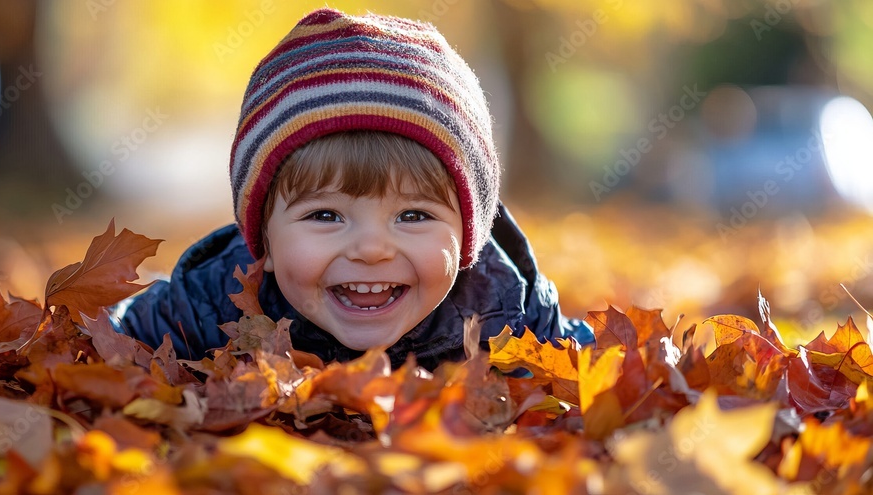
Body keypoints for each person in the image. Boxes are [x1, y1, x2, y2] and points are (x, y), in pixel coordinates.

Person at [115, 8, 593, 370]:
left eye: (413, 216)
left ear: (468, 237)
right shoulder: (210, 304)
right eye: (325, 215)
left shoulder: (505, 308)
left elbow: (590, 362)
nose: (370, 249)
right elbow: (114, 335)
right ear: (264, 238)